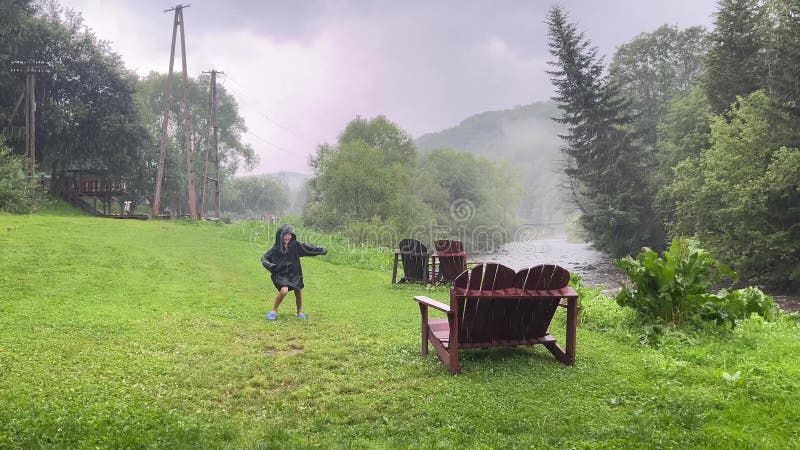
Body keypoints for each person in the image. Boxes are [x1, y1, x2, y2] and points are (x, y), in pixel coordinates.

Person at [261, 224, 327, 320]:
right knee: (284, 291)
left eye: (289, 234)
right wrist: (272, 266)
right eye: (285, 234)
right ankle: (273, 311)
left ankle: (299, 312)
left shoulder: (296, 245)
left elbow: (307, 248)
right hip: (281, 274)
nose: (288, 236)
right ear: (280, 236)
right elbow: (264, 258)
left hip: (294, 273)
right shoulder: (275, 249)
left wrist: (320, 250)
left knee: (298, 291)